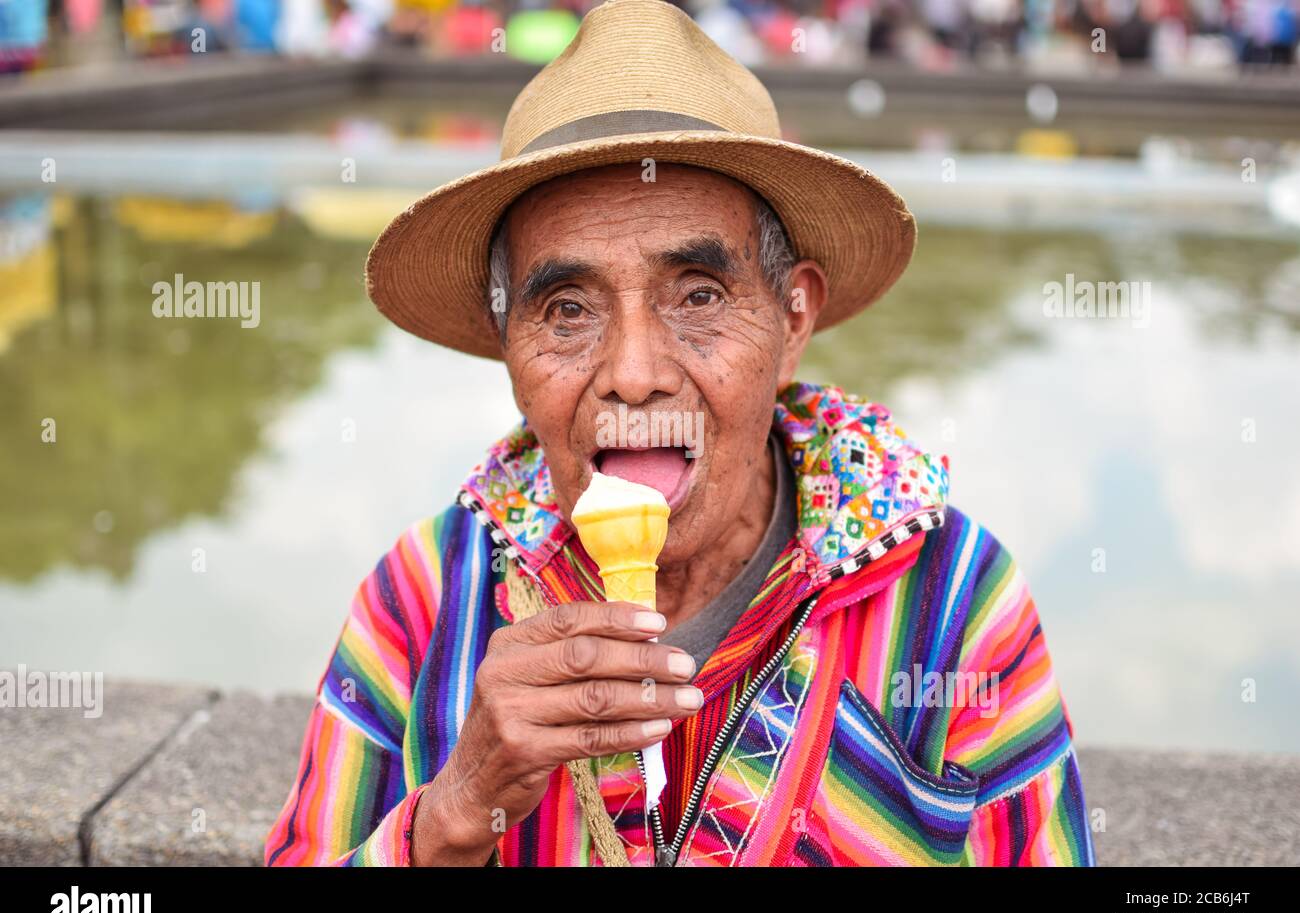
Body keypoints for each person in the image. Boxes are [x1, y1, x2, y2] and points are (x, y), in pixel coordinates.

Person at [266, 0, 1095, 867]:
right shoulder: (422, 599)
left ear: (793, 315)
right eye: (568, 309)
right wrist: (456, 811)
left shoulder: (955, 604)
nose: (633, 371)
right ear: (507, 344)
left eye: (698, 294)